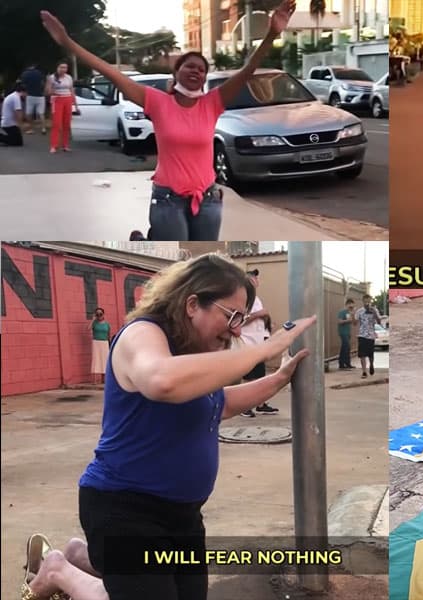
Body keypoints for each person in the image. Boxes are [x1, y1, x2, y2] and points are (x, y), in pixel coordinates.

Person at [19, 253, 316, 600]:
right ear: (193, 304)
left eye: (242, 318)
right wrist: (264, 349)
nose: (236, 328)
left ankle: (79, 555)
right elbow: (159, 381)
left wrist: (279, 379)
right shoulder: (142, 335)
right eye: (231, 315)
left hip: (183, 515)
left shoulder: (191, 356)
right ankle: (59, 570)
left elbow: (221, 403)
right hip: (123, 508)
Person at [40, 1, 297, 241]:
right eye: (190, 66)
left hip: (207, 200)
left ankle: (145, 240)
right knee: (174, 257)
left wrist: (272, 34)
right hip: (168, 200)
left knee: (198, 262)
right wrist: (67, 42)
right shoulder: (158, 102)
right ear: (176, 72)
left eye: (201, 69)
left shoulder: (212, 104)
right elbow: (110, 71)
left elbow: (247, 71)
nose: (196, 70)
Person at [238, 269, 279, 417]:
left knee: (260, 376)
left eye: (257, 277)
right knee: (248, 377)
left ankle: (261, 404)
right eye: (253, 277)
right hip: (247, 344)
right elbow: (239, 321)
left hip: (258, 343)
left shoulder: (256, 299)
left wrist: (267, 328)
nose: (257, 279)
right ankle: (244, 407)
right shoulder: (243, 298)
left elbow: (260, 318)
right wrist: (259, 314)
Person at [44, 61, 80, 152]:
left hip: (67, 99)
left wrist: (76, 105)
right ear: (57, 68)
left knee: (66, 124)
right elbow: (47, 92)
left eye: (65, 67)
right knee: (57, 124)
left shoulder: (69, 77)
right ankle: (54, 146)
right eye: (61, 67)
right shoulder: (52, 78)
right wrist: (48, 83)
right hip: (57, 100)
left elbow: (72, 91)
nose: (63, 69)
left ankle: (65, 145)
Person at [355, 294, 380, 379]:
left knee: (370, 354)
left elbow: (379, 322)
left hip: (371, 335)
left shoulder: (374, 310)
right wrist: (352, 315)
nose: (367, 303)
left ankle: (371, 365)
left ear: (370, 301)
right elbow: (355, 323)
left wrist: (374, 313)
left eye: (368, 301)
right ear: (363, 301)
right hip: (362, 335)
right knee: (362, 354)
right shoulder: (359, 311)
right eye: (365, 301)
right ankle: (364, 371)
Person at [20, 64, 47, 134]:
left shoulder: (25, 74)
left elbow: (23, 84)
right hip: (41, 96)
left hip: (30, 95)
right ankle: (43, 128)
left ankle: (31, 129)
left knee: (29, 113)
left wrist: (25, 91)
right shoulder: (40, 73)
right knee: (41, 113)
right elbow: (43, 83)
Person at [88, 308, 112, 385]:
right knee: (96, 359)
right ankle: (95, 380)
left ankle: (104, 379)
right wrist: (93, 320)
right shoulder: (94, 323)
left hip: (104, 343)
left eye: (100, 314)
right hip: (96, 342)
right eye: (97, 314)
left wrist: (109, 343)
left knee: (104, 360)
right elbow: (88, 329)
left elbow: (109, 334)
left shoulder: (107, 324)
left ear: (103, 314)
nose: (99, 316)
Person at [0, 81, 26, 146]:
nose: (26, 95)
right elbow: (18, 112)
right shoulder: (16, 98)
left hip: (10, 122)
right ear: (23, 92)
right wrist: (20, 125)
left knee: (18, 142)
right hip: (9, 123)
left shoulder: (14, 95)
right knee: (17, 142)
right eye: (26, 93)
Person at [337, 298, 356, 370]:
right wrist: (347, 320)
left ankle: (346, 364)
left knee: (346, 348)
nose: (351, 308)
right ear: (347, 305)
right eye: (350, 306)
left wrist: (353, 315)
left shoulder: (350, 313)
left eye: (352, 306)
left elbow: (354, 323)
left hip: (348, 332)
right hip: (342, 332)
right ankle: (343, 364)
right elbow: (339, 321)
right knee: (346, 347)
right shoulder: (342, 312)